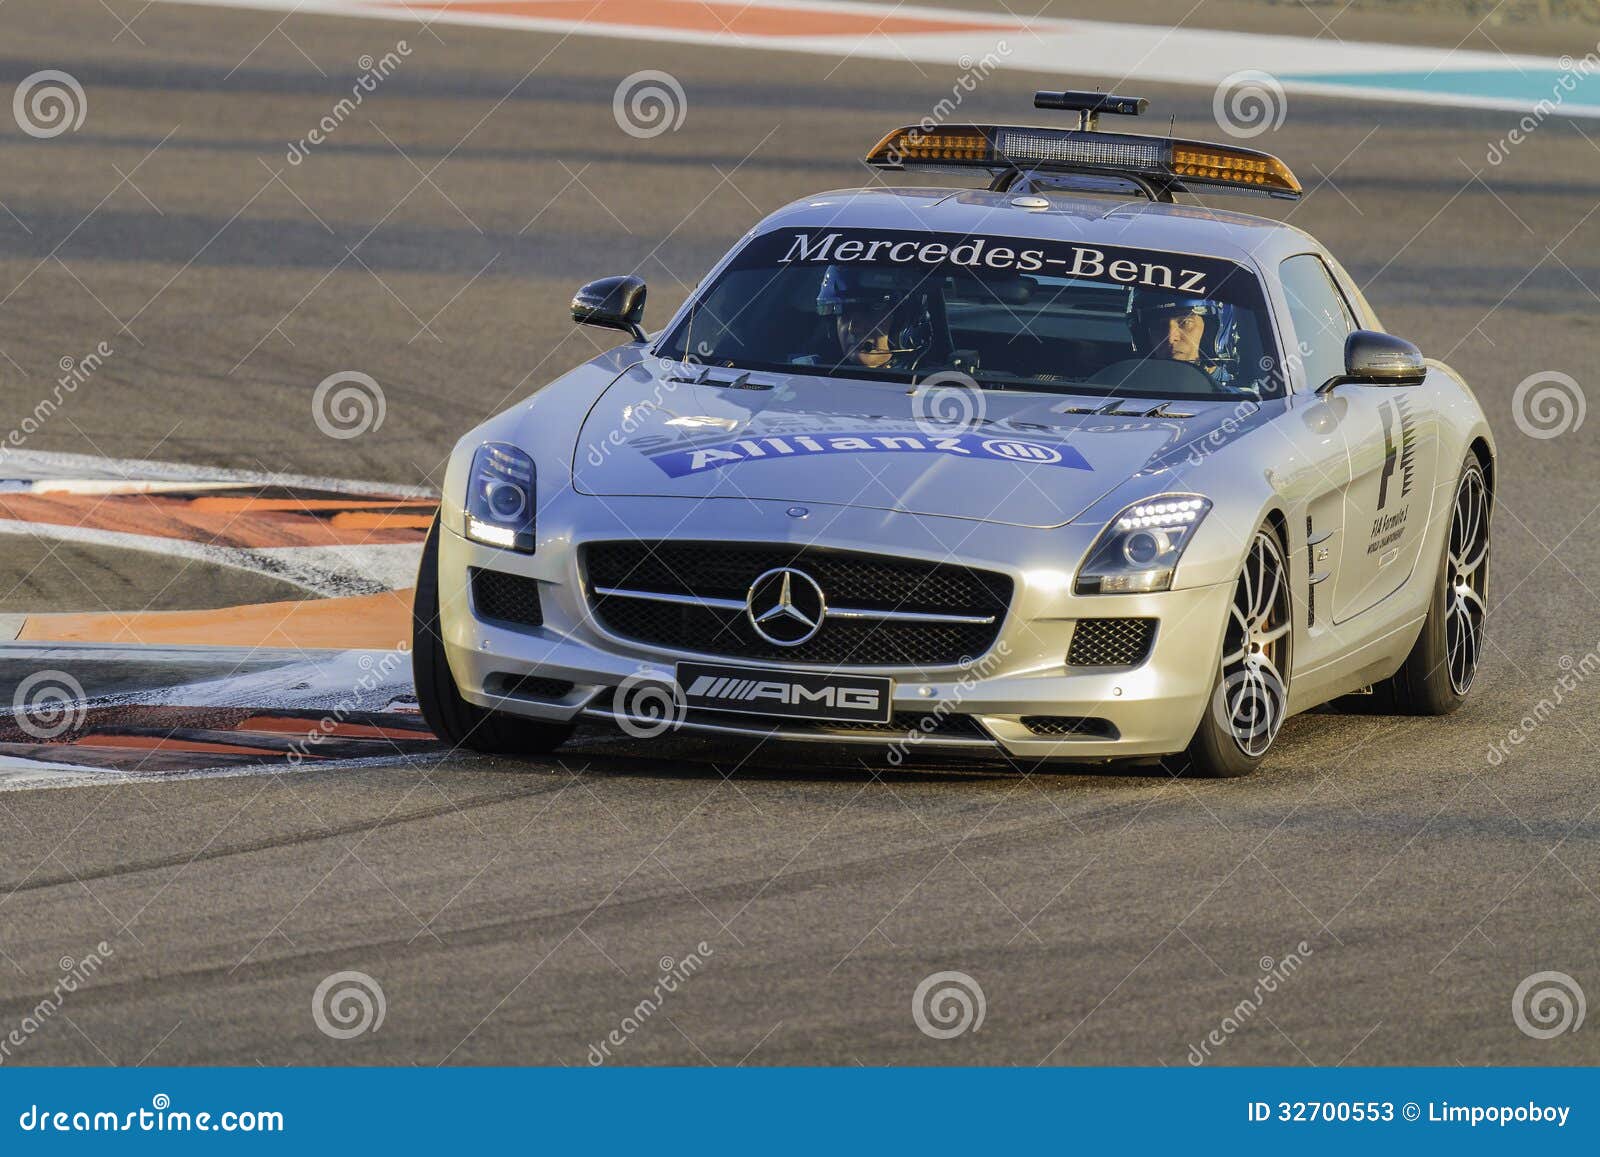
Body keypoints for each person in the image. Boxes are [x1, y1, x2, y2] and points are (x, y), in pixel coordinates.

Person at [812, 265, 937, 371]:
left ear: (907, 320)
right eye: (843, 313)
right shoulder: (805, 378)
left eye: (870, 310)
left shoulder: (941, 387)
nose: (854, 328)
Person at [1129, 290, 1238, 385]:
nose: (1171, 338)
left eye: (1185, 322)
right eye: (1159, 326)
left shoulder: (1239, 397)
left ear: (1212, 331)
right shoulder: (1131, 392)